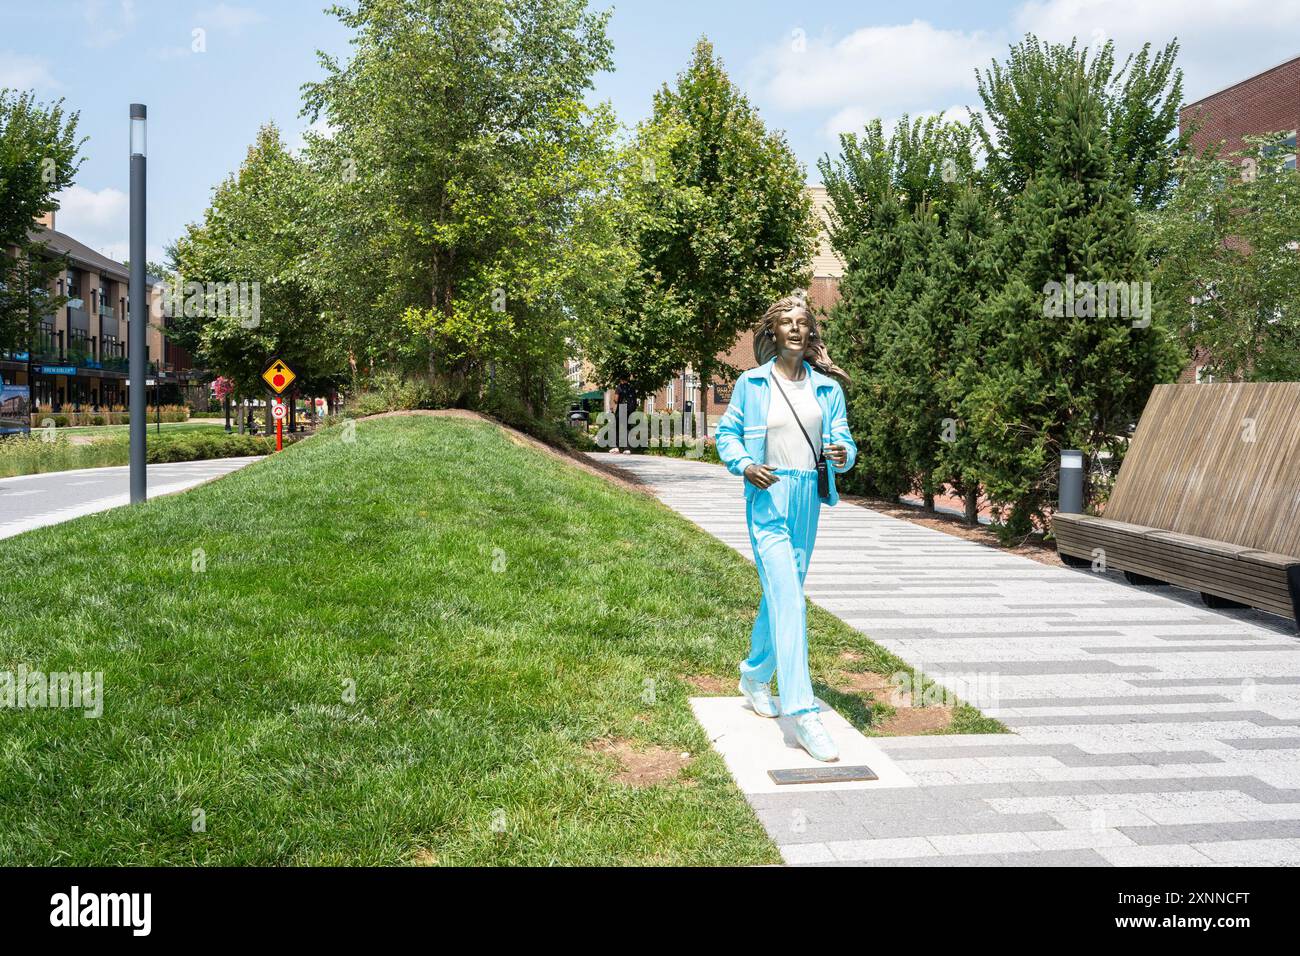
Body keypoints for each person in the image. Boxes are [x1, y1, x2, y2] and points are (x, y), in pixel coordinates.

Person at [714, 294, 857, 761]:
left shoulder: (827, 390)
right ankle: (802, 711)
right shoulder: (752, 384)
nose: (795, 329)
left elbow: (844, 442)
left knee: (782, 593)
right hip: (768, 495)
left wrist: (843, 454)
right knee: (790, 597)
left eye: (803, 322)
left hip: (807, 499)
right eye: (786, 323)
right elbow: (727, 434)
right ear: (772, 332)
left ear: (811, 332)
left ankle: (755, 675)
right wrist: (744, 464)